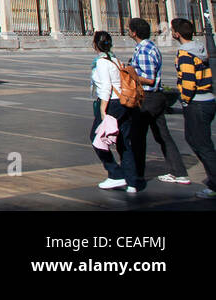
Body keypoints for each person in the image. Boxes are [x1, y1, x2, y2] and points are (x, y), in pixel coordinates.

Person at [128, 17, 190, 184]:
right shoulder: (151, 47)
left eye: (129, 29)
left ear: (134, 33)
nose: (128, 31)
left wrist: (131, 75)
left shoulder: (143, 50)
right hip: (157, 97)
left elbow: (148, 79)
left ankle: (137, 174)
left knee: (138, 136)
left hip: (148, 98)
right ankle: (179, 172)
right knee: (163, 136)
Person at [171, 17, 216, 198]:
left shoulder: (185, 54)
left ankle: (214, 184)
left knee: (202, 144)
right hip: (208, 100)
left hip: (196, 103)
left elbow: (189, 82)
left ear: (177, 34)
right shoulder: (199, 49)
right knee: (196, 140)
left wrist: (185, 100)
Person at [90, 30, 139, 193]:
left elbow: (106, 87)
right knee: (123, 142)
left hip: (111, 104)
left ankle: (115, 173)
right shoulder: (116, 60)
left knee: (96, 137)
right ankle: (132, 182)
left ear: (95, 45)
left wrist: (103, 110)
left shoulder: (102, 63)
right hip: (123, 103)